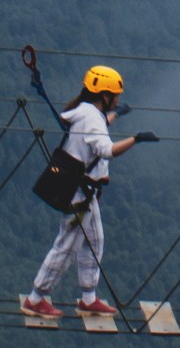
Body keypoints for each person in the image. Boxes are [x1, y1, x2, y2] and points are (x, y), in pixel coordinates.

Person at [22, 63, 145, 318]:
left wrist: (116, 115)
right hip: (79, 195)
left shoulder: (86, 112)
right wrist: (136, 139)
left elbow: (96, 128)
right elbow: (107, 149)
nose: (117, 99)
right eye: (115, 96)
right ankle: (35, 298)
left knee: (95, 241)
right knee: (67, 245)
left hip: (85, 194)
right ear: (105, 95)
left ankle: (88, 297)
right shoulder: (91, 117)